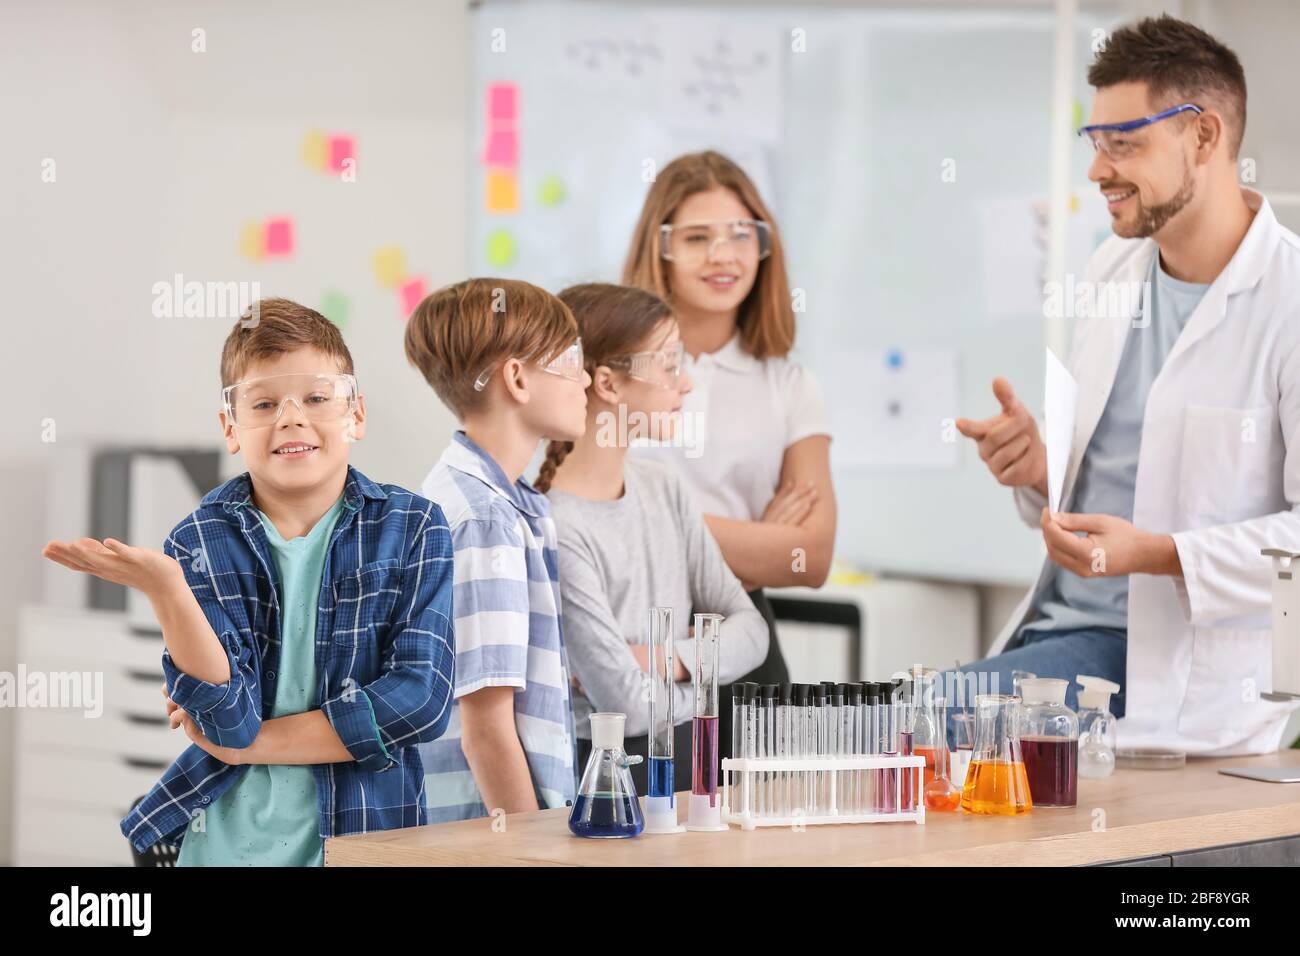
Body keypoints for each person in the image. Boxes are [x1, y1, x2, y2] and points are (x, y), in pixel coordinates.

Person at [955, 15, 1300, 755]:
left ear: (1204, 137)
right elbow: (1117, 483)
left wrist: (1159, 555)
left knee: (916, 721)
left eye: (1125, 143)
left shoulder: (1290, 301)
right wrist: (1042, 470)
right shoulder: (1111, 272)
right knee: (911, 725)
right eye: (1095, 142)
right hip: (1065, 631)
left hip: (1173, 678)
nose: (1097, 171)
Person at [44, 299, 456, 864]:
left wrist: (257, 746)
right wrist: (168, 590)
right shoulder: (198, 541)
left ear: (355, 413)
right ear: (230, 428)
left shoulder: (414, 527)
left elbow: (421, 701)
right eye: (264, 403)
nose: (291, 416)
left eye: (316, 397)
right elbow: (228, 723)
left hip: (368, 840)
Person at [623, 151, 836, 751]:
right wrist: (757, 540)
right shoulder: (612, 371)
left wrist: (658, 527)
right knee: (637, 826)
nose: (723, 255)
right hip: (633, 637)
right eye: (697, 237)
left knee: (766, 827)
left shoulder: (789, 386)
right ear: (659, 248)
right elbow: (588, 527)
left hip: (745, 646)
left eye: (742, 234)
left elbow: (811, 556)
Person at [536, 282, 769, 791]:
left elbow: (754, 633)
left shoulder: (664, 487)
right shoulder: (556, 524)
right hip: (607, 775)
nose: (684, 384)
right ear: (608, 384)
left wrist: (664, 659)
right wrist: (705, 689)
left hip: (686, 762)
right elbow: (627, 707)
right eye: (667, 364)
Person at [406, 278, 589, 821]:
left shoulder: (498, 502)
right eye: (572, 360)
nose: (584, 379)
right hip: (483, 831)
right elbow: (485, 732)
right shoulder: (485, 519)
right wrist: (535, 854)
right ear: (516, 378)